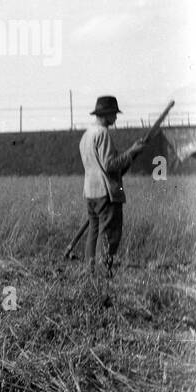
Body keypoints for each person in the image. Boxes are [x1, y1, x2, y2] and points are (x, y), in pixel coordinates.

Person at [79, 95, 146, 276]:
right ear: (106, 114)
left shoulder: (87, 135)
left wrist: (128, 156)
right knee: (109, 235)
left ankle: (90, 272)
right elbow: (109, 165)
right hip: (106, 193)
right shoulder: (102, 134)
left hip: (91, 192)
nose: (116, 117)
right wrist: (132, 152)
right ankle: (103, 274)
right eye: (114, 114)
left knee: (94, 233)